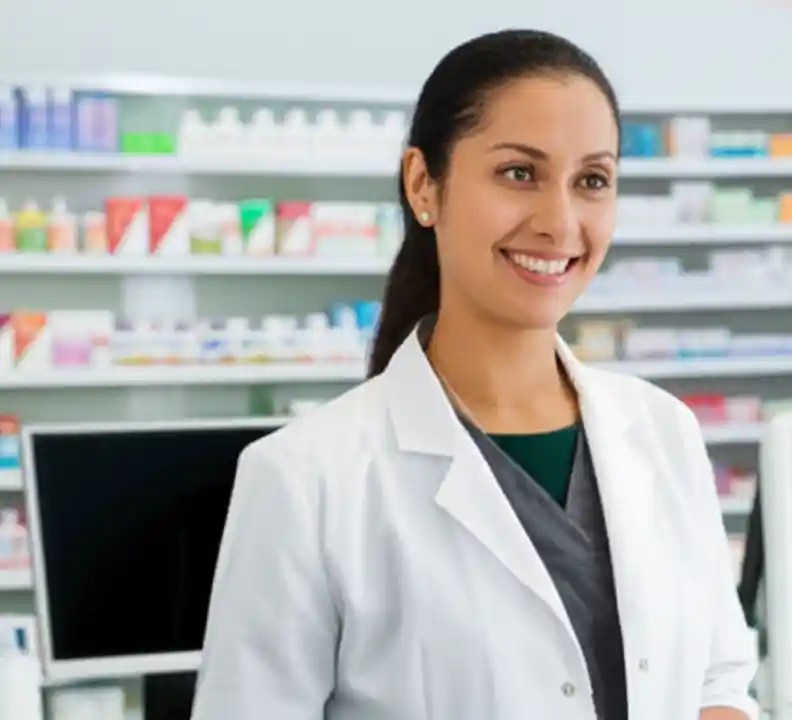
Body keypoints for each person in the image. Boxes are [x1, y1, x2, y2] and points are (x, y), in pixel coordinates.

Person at [191, 29, 757, 720]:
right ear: (424, 185)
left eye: (592, 181)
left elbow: (719, 685)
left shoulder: (664, 431)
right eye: (520, 173)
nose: (560, 221)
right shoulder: (305, 477)